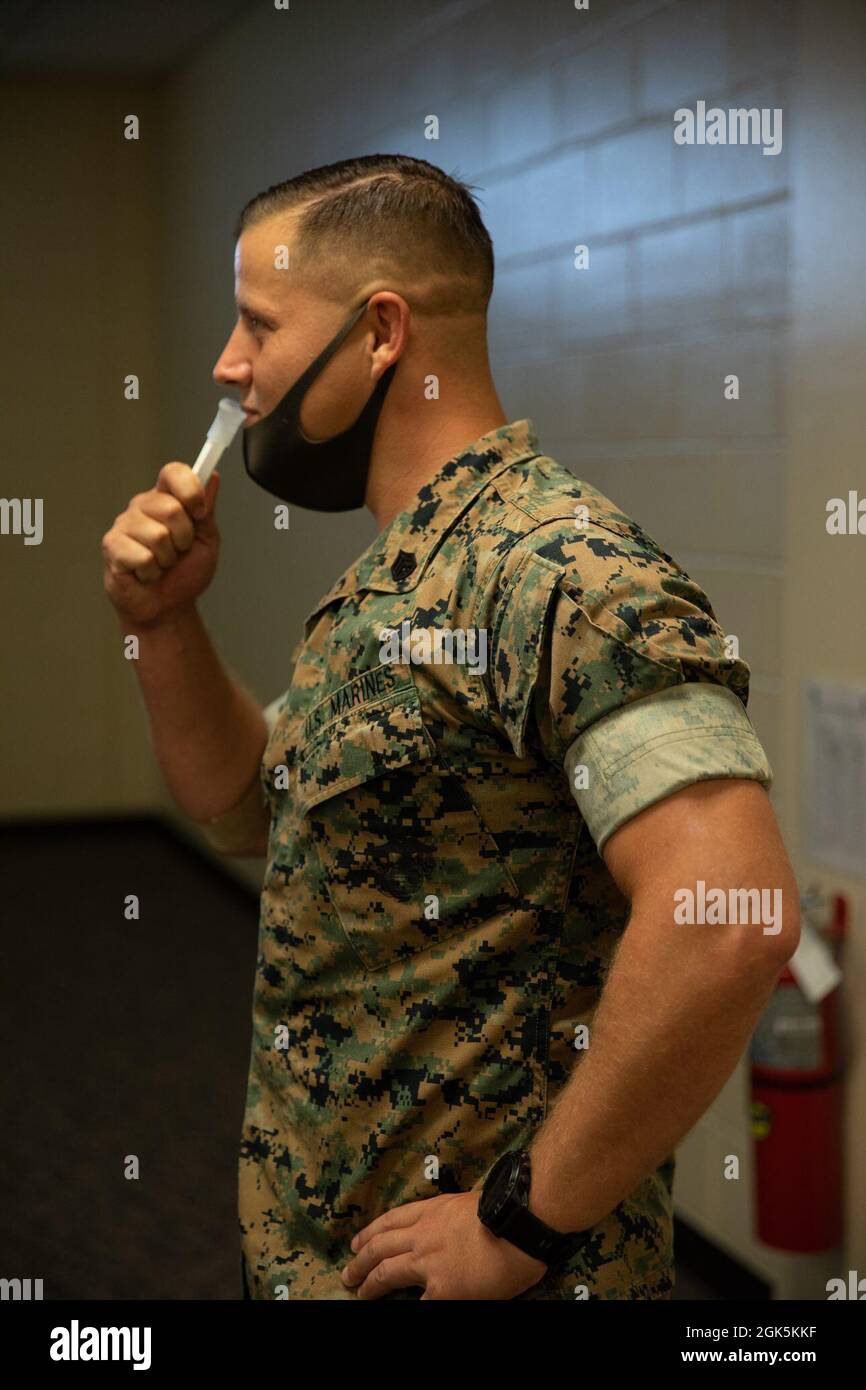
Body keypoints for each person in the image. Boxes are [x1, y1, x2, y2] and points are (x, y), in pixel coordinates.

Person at [102, 154, 799, 1301]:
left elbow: (732, 914)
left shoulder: (554, 567)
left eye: (257, 324)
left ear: (381, 334)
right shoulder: (396, 583)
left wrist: (519, 1224)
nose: (228, 367)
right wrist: (166, 624)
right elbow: (245, 806)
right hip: (328, 1250)